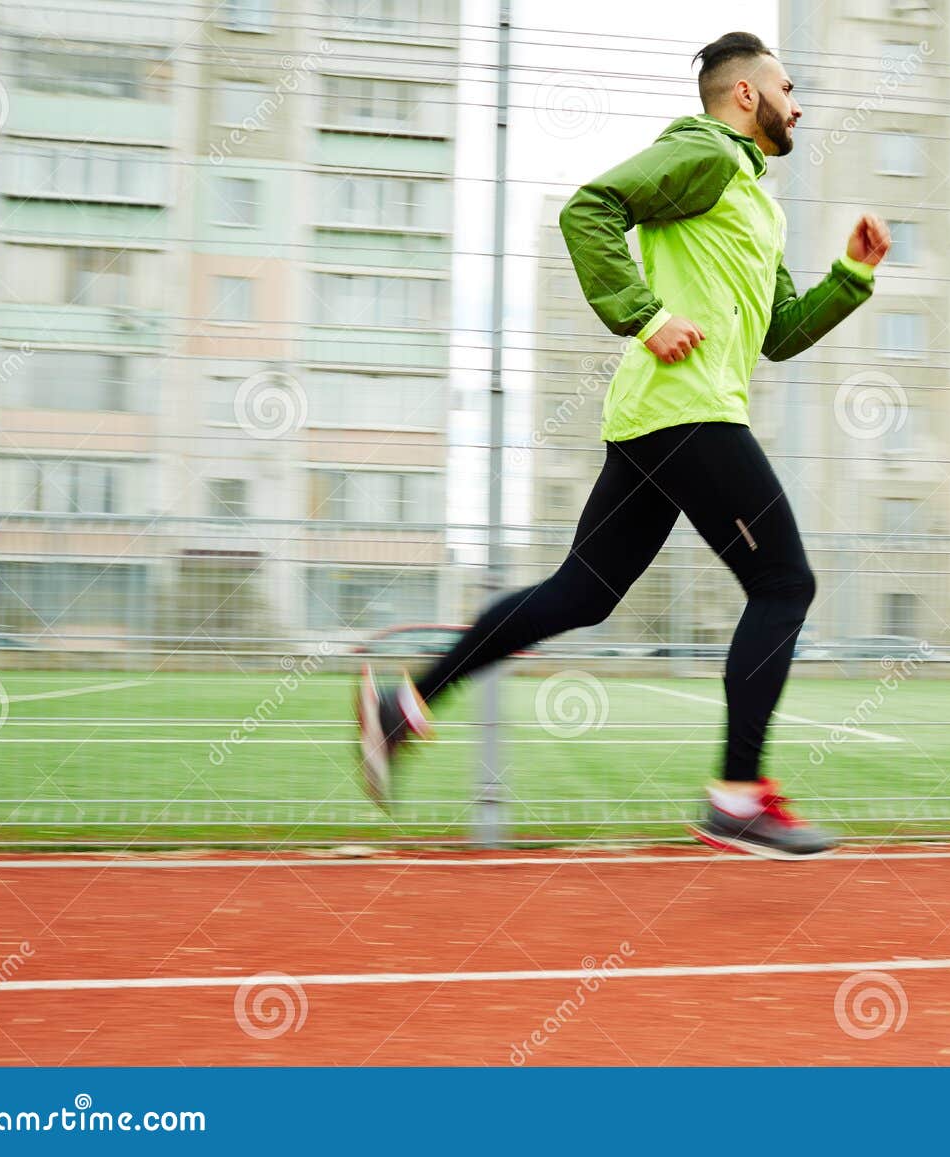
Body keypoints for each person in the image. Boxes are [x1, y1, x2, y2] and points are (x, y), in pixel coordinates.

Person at [356, 31, 889, 858]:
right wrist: (646, 315)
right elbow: (591, 208)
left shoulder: (757, 202)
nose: (799, 105)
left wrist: (850, 276)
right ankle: (737, 796)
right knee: (784, 582)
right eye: (788, 88)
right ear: (745, 94)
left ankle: (408, 704)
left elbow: (779, 332)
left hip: (658, 418)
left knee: (583, 593)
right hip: (688, 410)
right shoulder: (705, 155)